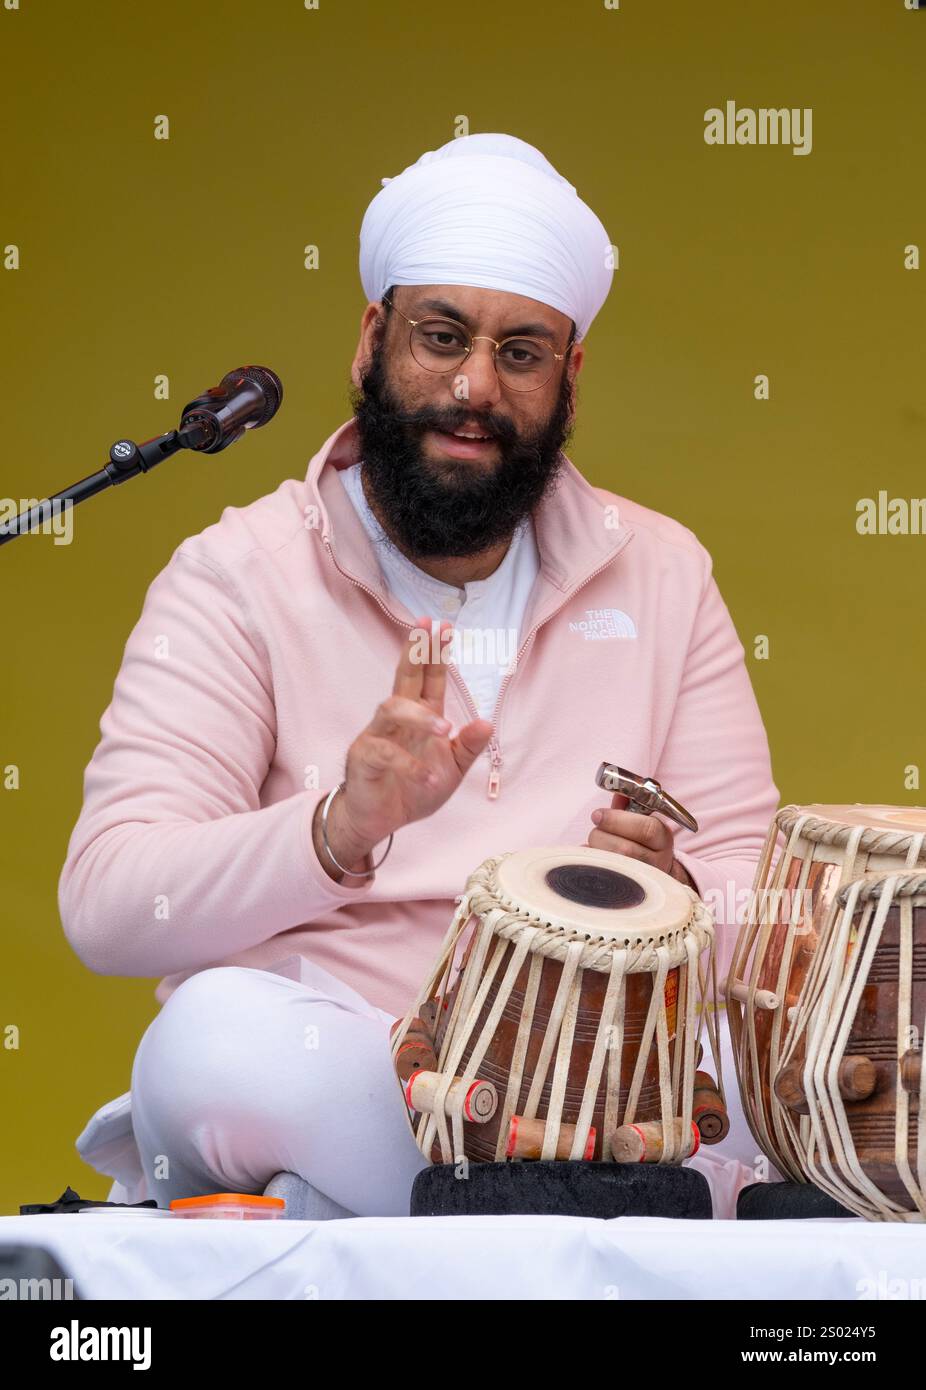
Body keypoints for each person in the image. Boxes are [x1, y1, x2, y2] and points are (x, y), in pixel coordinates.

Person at [60, 133, 780, 1221]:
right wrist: (335, 830)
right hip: (352, 1072)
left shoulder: (665, 573)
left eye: (522, 352)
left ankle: (503, 1221)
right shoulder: (234, 576)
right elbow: (112, 905)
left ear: (569, 375)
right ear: (370, 339)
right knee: (212, 1044)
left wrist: (670, 895)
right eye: (439, 336)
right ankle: (567, 1227)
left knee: (799, 1047)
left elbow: (747, 889)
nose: (473, 386)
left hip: (601, 1079)